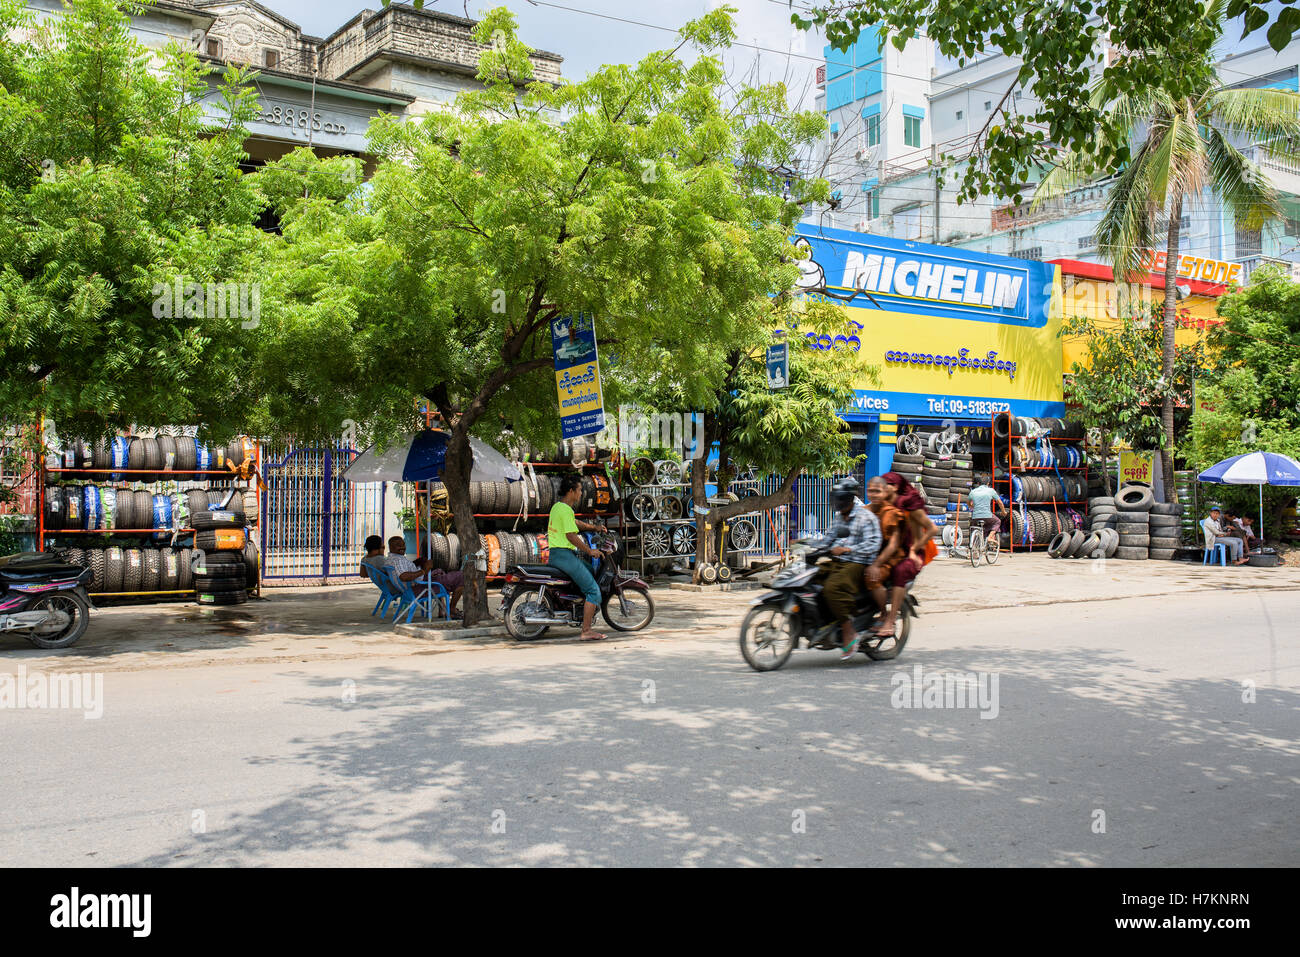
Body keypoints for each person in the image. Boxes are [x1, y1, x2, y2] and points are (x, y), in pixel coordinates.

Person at [806, 478, 881, 660]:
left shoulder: (865, 517)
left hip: (858, 563)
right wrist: (806, 544)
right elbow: (827, 540)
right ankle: (826, 625)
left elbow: (874, 543)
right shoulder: (839, 517)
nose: (837, 503)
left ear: (849, 499)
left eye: (840, 499)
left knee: (833, 587)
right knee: (812, 580)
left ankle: (849, 629)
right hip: (838, 561)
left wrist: (848, 549)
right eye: (836, 499)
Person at [547, 473, 608, 640]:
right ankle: (586, 631)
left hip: (557, 555)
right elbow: (571, 535)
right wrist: (590, 551)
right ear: (572, 491)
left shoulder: (558, 507)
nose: (581, 493)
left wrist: (594, 528)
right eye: (580, 490)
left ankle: (577, 607)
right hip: (564, 555)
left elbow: (575, 523)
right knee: (593, 590)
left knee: (589, 569)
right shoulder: (565, 509)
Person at [864, 476, 906, 630]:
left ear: (884, 493)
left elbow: (893, 544)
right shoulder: (863, 511)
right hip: (866, 555)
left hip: (888, 558)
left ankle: (884, 614)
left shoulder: (891, 513)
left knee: (871, 578)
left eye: (877, 491)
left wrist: (876, 564)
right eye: (870, 491)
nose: (874, 495)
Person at [385, 535, 465, 617]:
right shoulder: (398, 560)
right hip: (420, 588)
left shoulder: (392, 558)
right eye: (398, 545)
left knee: (439, 572)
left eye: (403, 544)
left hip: (411, 589)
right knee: (461, 577)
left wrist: (417, 562)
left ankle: (442, 609)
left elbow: (405, 569)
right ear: (391, 547)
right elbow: (403, 576)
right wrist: (424, 571)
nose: (402, 547)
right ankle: (451, 609)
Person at [883, 470, 940, 571]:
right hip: (895, 549)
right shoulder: (886, 504)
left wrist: (913, 550)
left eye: (885, 485)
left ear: (895, 487)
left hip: (913, 551)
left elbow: (933, 529)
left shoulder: (910, 507)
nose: (882, 488)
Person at [967, 471, 1006, 545]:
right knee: (997, 521)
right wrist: (1003, 512)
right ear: (988, 484)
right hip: (987, 515)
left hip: (975, 516)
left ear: (978, 484)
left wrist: (971, 507)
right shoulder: (991, 490)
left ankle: (975, 550)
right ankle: (990, 537)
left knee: (976, 527)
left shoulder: (973, 491)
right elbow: (1000, 502)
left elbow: (968, 502)